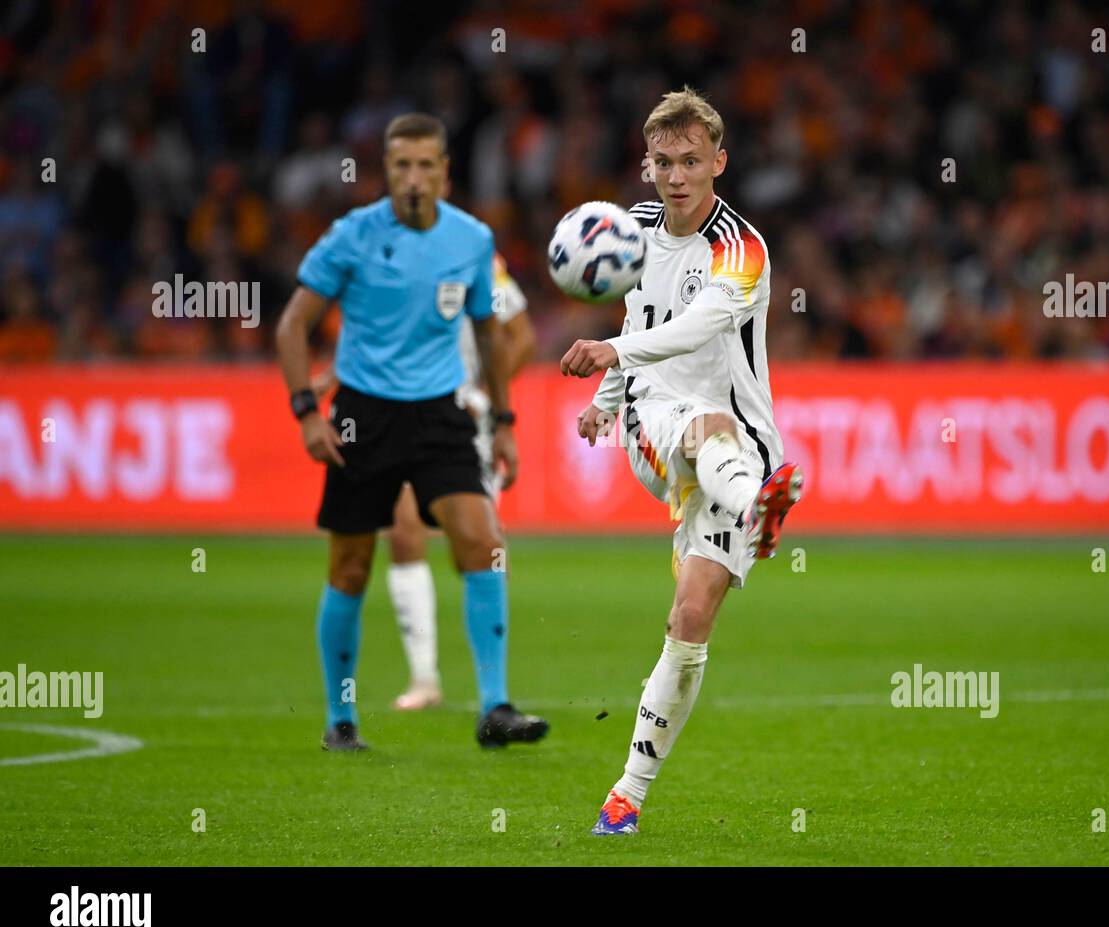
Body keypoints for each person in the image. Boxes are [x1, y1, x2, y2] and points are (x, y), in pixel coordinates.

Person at [560, 87, 802, 834]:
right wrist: (609, 393)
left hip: (742, 443)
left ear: (719, 162)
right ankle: (755, 501)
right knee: (699, 424)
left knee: (690, 620)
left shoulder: (743, 250)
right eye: (663, 161)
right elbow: (635, 316)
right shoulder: (628, 233)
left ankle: (625, 796)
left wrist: (611, 352)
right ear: (646, 166)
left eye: (691, 160)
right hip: (654, 420)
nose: (676, 175)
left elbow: (697, 326)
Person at [276, 112, 548, 751]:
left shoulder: (473, 240)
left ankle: (495, 707)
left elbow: (486, 330)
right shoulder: (351, 236)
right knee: (349, 567)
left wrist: (503, 421)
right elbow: (291, 326)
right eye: (401, 165)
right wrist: (307, 414)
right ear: (387, 171)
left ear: (446, 173)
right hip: (362, 413)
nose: (414, 178)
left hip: (440, 411)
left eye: (426, 165)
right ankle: (341, 720)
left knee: (482, 542)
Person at [310, 252, 535, 711]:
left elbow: (522, 336)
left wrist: (487, 396)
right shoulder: (383, 252)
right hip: (402, 410)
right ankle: (425, 678)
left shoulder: (476, 255)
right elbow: (379, 336)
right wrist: (334, 376)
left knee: (479, 549)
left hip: (463, 418)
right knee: (403, 530)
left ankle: (494, 693)